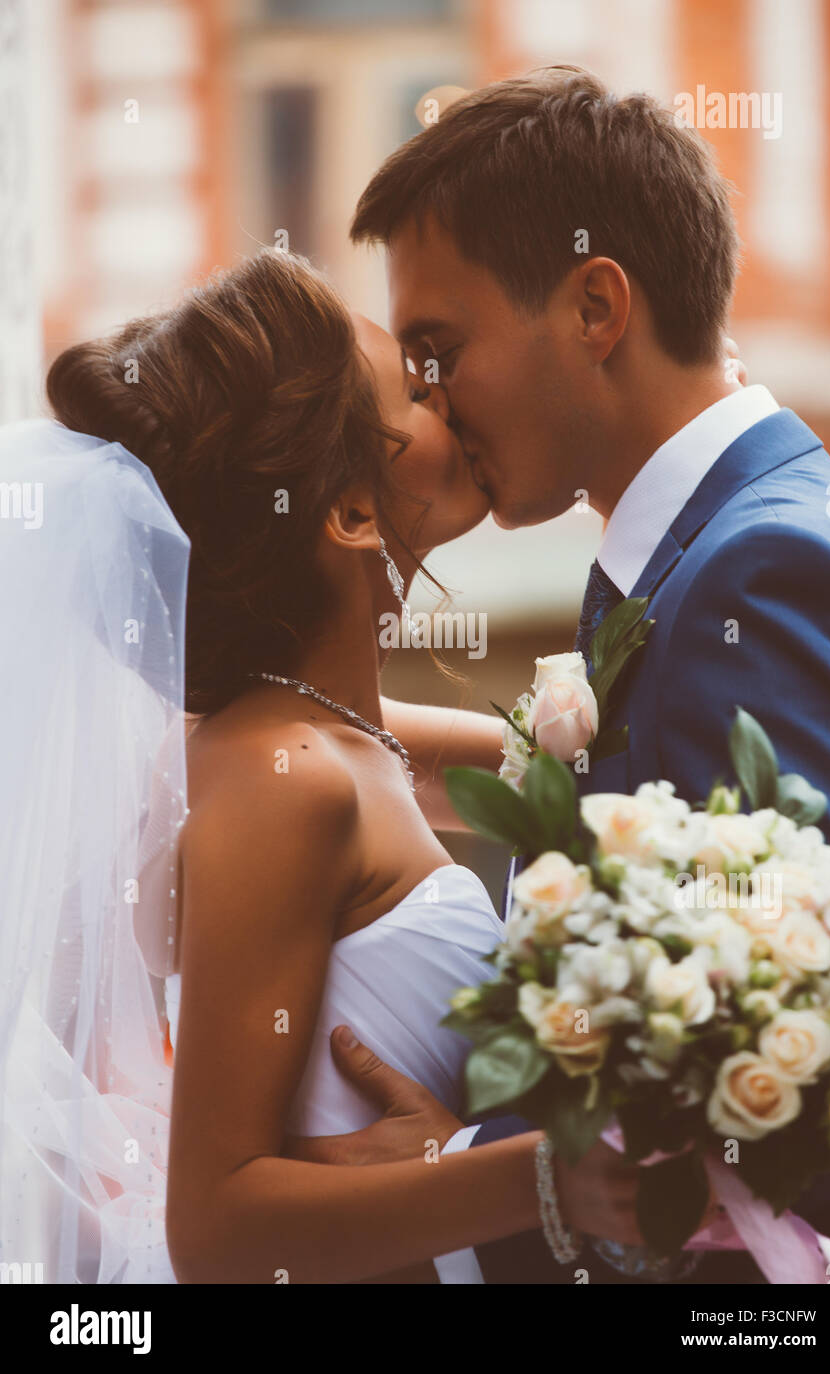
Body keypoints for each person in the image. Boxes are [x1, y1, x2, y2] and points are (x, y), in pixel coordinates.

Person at [308, 63, 830, 1284]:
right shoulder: (711, 546)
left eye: (438, 350)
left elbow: (823, 1062)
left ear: (595, 307)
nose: (429, 406)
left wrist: (471, 1170)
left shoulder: (749, 574)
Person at [13, 246, 663, 1285]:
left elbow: (567, 773)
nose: (446, 393)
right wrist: (536, 1174)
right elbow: (217, 1233)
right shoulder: (289, 777)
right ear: (353, 515)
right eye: (415, 389)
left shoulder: (334, 738)